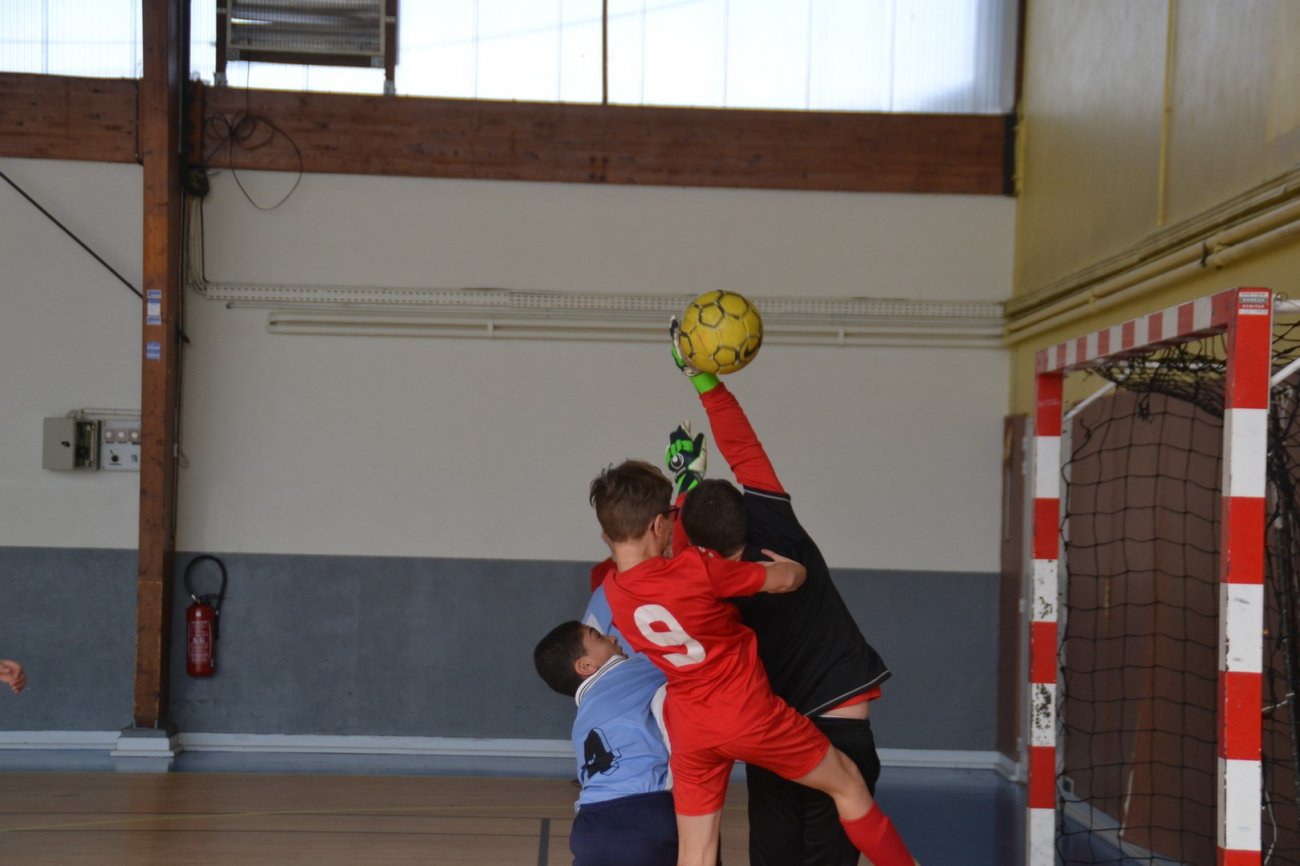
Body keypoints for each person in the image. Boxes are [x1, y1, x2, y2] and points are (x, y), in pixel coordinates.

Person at [591, 460, 916, 866]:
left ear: (607, 533)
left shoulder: (611, 590)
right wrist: (794, 567)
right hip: (746, 715)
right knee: (848, 783)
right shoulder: (697, 571)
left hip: (690, 727)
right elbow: (785, 580)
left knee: (696, 852)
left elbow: (657, 578)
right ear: (659, 525)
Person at [667, 322, 893, 866]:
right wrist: (703, 378)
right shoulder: (777, 523)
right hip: (838, 721)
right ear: (746, 509)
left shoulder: (702, 582)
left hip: (771, 730)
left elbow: (673, 555)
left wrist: (683, 487)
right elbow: (742, 445)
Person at [534, 620, 676, 866]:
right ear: (586, 665)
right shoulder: (633, 671)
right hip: (644, 813)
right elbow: (688, 662)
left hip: (589, 826)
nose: (612, 638)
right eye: (598, 637)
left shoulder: (583, 718)